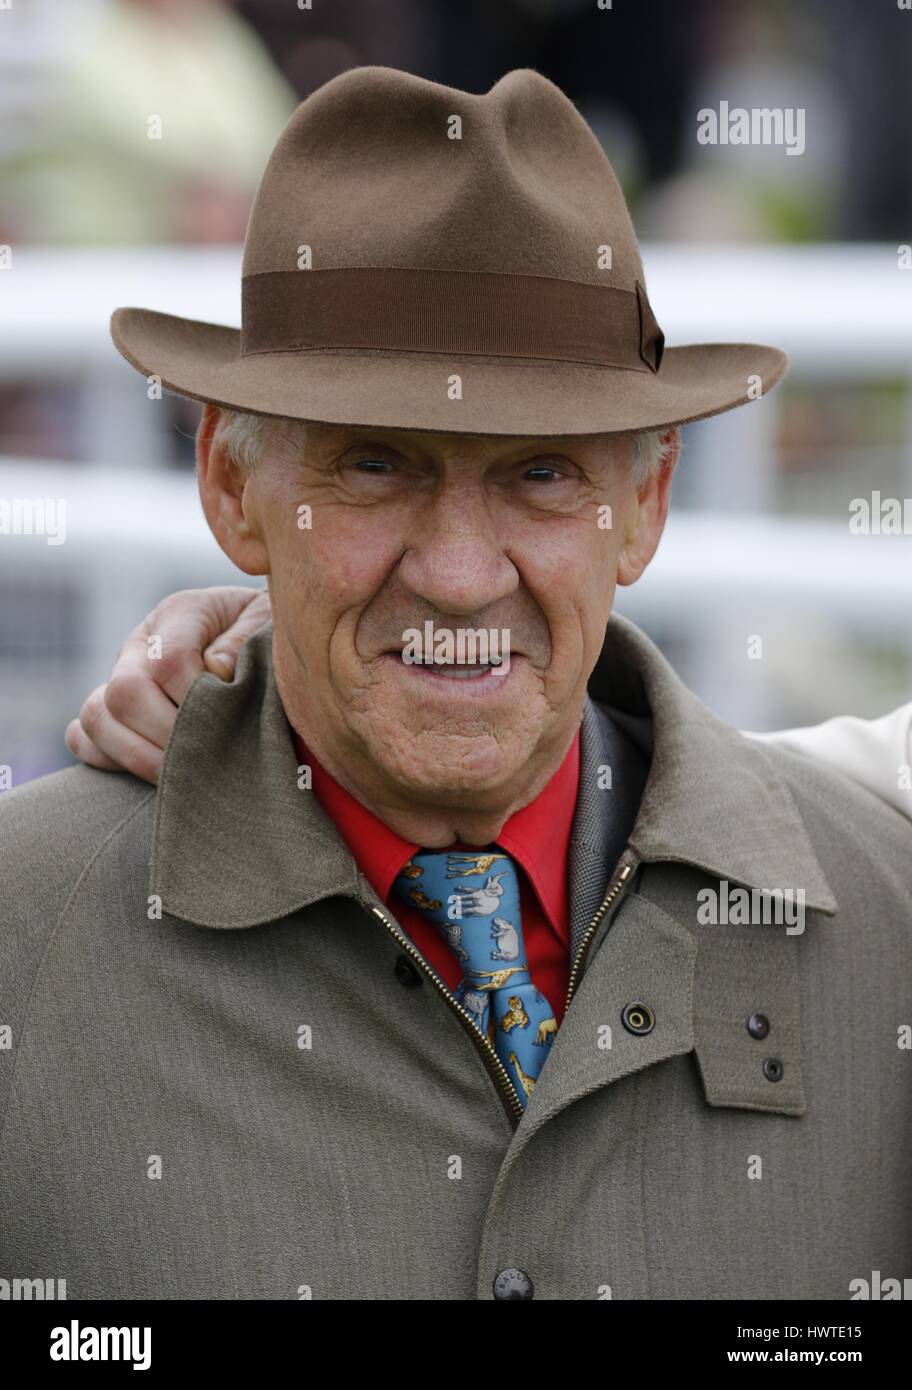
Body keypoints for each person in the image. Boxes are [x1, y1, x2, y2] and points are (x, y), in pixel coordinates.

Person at [1, 66, 910, 1302]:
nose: (462, 572)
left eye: (540, 473)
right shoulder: (25, 939)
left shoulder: (884, 925)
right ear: (230, 486)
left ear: (644, 504)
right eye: (375, 465)